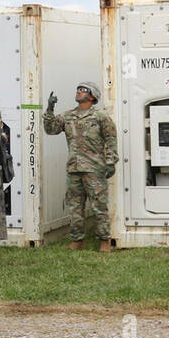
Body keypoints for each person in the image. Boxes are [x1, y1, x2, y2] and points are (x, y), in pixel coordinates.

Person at [43, 80, 118, 252]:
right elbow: (51, 129)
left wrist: (111, 161)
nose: (78, 92)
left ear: (92, 96)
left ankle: (104, 240)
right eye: (77, 89)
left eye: (82, 90)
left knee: (99, 206)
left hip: (94, 169)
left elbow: (111, 139)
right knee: (75, 206)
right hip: (74, 168)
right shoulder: (68, 116)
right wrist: (50, 109)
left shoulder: (100, 117)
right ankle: (77, 240)